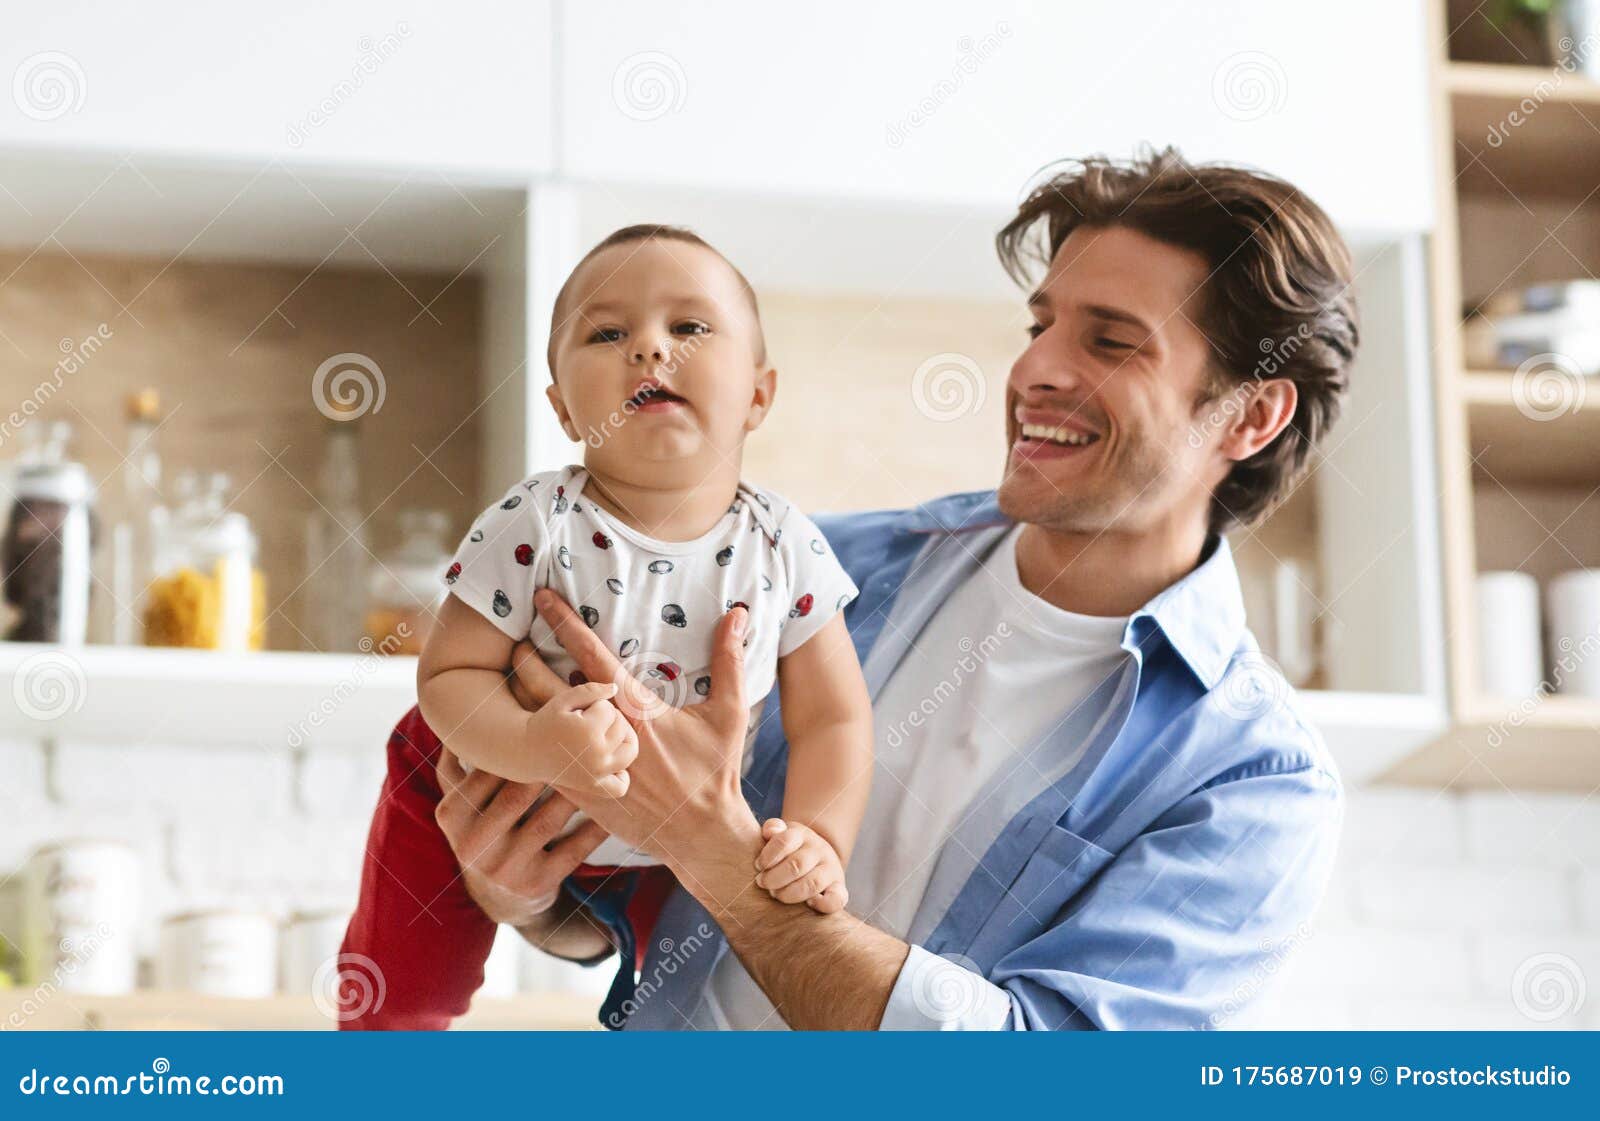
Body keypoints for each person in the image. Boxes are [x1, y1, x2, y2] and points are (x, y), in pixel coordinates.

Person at [340, 146, 1355, 1030]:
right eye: (1039, 323)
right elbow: (632, 902)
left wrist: (717, 845)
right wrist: (518, 890)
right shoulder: (811, 572)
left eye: (1110, 339)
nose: (1035, 366)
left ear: (1249, 415)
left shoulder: (1248, 781)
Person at [409, 225, 872, 1021]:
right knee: (414, 767)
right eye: (608, 332)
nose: (650, 350)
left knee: (700, 997)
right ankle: (388, 1030)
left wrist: (817, 836)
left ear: (759, 395)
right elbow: (449, 675)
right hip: (514, 794)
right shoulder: (534, 521)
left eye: (689, 327)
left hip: (690, 853)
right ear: (560, 407)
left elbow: (835, 715)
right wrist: (536, 743)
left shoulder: (787, 544)